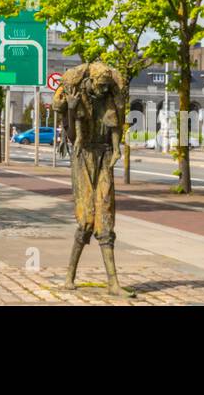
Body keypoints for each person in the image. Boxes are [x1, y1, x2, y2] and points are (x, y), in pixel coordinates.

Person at [57, 61, 128, 295]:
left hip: (104, 155)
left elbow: (115, 125)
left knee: (106, 218)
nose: (105, 90)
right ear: (91, 82)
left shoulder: (108, 99)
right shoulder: (79, 95)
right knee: (86, 220)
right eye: (101, 85)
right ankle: (69, 276)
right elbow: (71, 133)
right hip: (83, 156)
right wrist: (70, 108)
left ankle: (113, 283)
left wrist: (117, 150)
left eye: (108, 86)